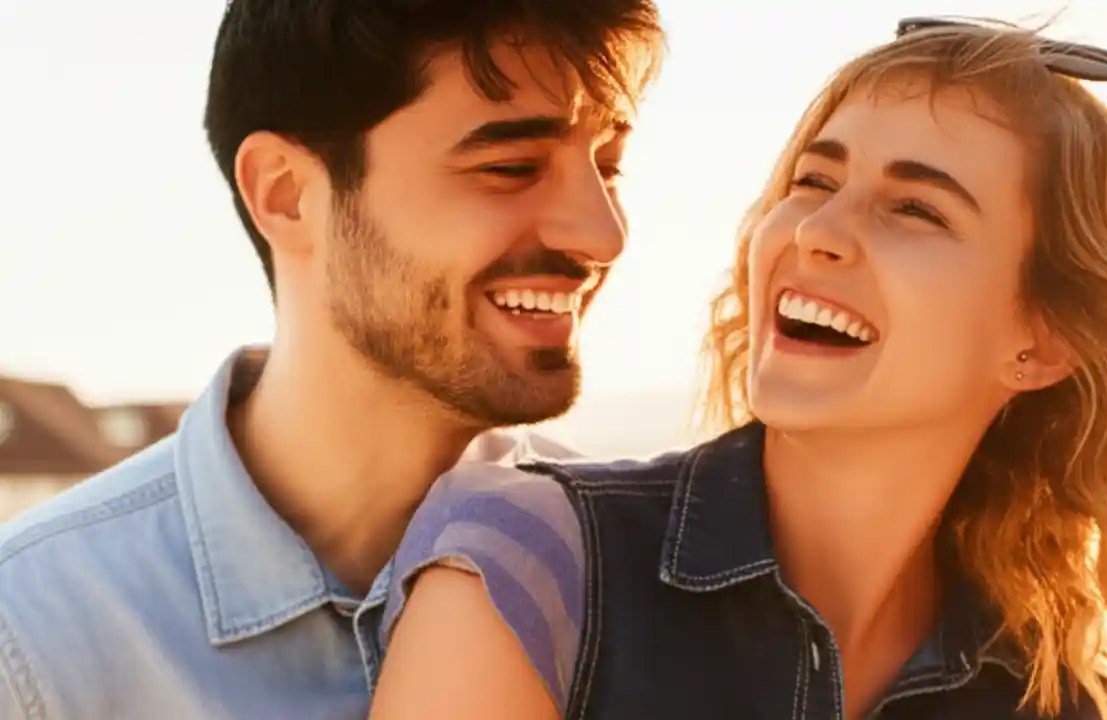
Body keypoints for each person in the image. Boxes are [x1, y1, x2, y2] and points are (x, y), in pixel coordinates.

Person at [370, 18, 1107, 720]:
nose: (816, 232)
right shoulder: (531, 560)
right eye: (816, 182)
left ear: (1040, 343)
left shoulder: (1052, 700)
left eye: (915, 208)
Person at [0, 2, 663, 717]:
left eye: (608, 166)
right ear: (286, 194)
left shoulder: (647, 582)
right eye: (511, 166)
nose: (603, 234)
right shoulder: (34, 641)